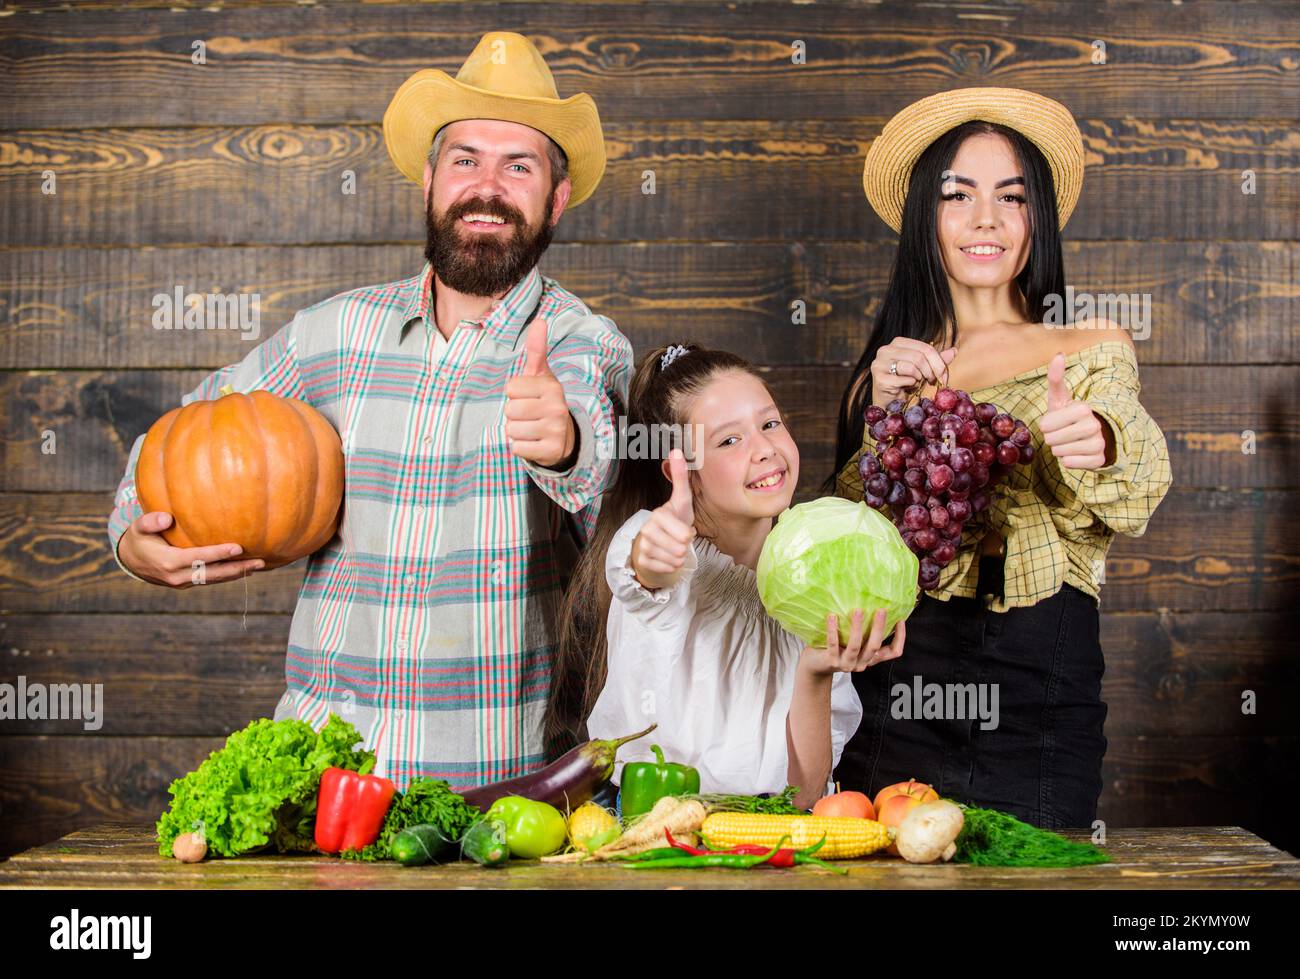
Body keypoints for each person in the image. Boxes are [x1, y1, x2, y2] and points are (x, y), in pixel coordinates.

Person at [106, 32, 634, 787]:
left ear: (555, 199)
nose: (486, 185)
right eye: (465, 159)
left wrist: (563, 440)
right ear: (428, 183)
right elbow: (179, 440)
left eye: (519, 166)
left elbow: (607, 474)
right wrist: (135, 540)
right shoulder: (331, 335)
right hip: (324, 785)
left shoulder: (582, 343)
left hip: (500, 796)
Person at [825, 87, 1172, 828]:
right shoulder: (888, 370)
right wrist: (882, 418)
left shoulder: (1089, 346)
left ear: (1035, 218)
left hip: (1038, 673)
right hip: (902, 675)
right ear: (927, 215)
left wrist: (1100, 441)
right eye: (959, 195)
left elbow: (1139, 473)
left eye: (1011, 197)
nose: (986, 218)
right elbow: (854, 545)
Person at [547, 343, 905, 810]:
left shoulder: (813, 582)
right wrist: (657, 553)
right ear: (683, 472)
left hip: (767, 826)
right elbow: (647, 572)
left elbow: (806, 797)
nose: (764, 450)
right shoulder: (658, 544)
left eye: (770, 423)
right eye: (728, 441)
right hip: (647, 819)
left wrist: (817, 670)